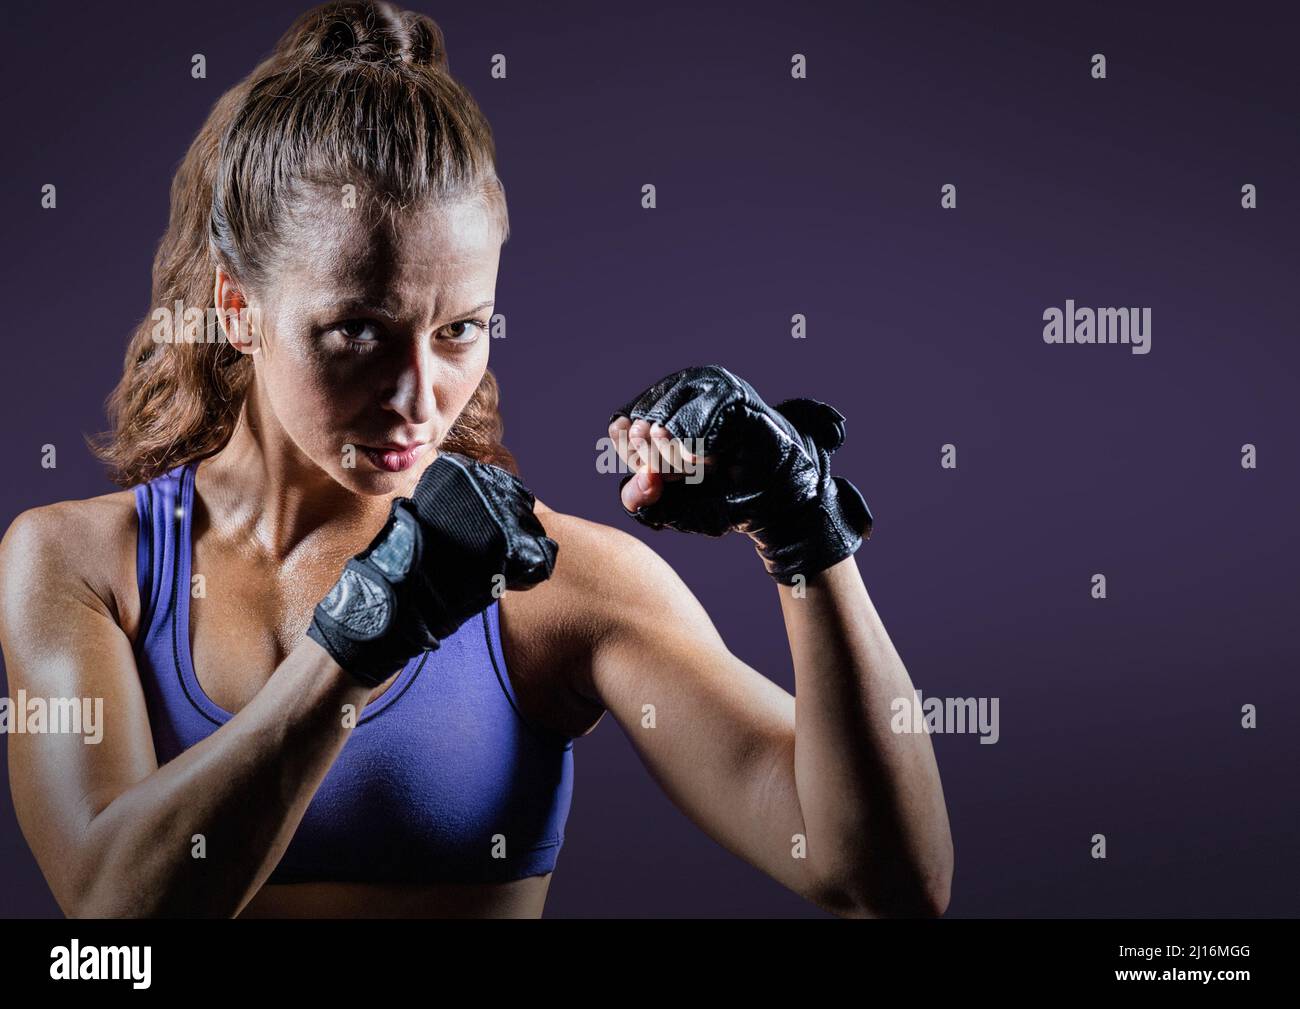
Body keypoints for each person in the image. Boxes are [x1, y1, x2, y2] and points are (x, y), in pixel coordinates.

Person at [0, 0, 953, 918]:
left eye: (459, 329)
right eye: (358, 332)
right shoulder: (81, 566)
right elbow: (112, 915)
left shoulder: (557, 583)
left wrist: (806, 532)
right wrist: (361, 640)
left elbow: (885, 880)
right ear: (239, 312)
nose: (419, 394)